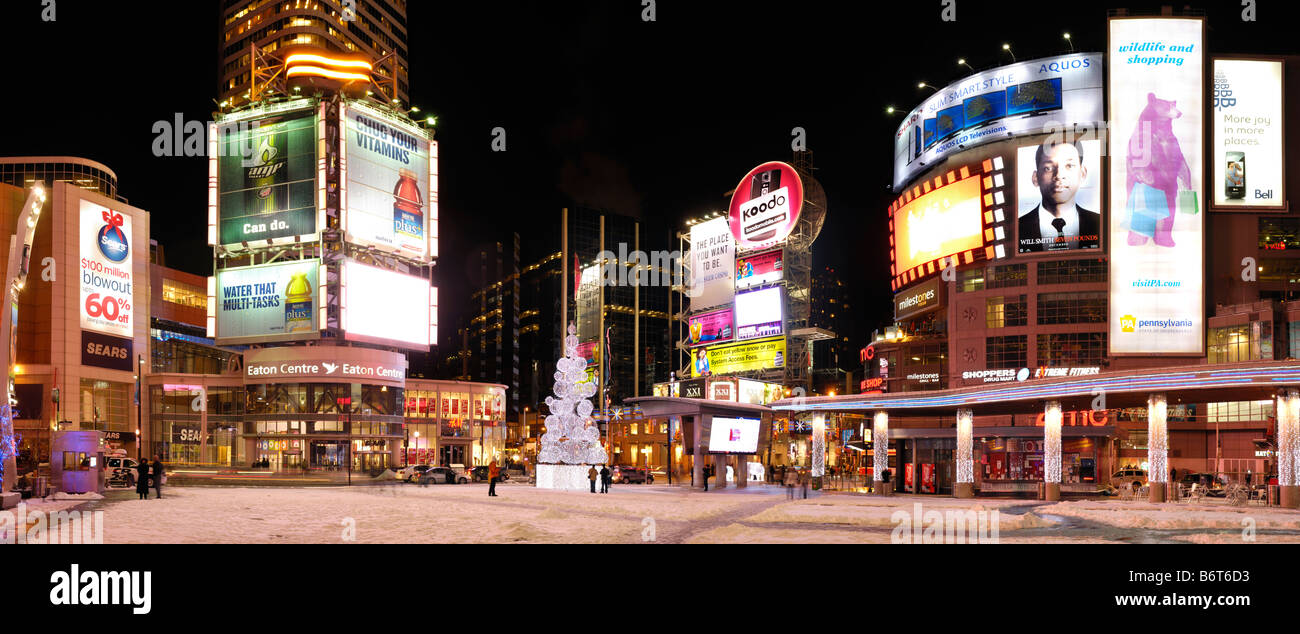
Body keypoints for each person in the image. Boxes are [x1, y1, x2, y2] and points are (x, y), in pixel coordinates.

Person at [1017, 140, 1100, 253]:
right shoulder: (1016, 229)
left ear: (1082, 174)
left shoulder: (1100, 224)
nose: (1059, 175)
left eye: (1069, 166)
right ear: (1035, 178)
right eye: (1048, 168)